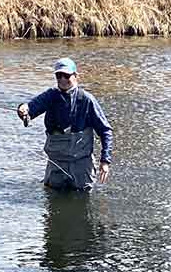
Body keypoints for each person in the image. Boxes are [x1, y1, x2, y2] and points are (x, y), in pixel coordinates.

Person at [16, 57, 114, 189]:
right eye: (59, 75)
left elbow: (105, 131)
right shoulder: (50, 96)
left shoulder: (87, 100)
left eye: (66, 75)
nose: (62, 79)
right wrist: (23, 109)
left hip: (81, 165)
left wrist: (105, 161)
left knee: (82, 197)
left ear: (75, 76)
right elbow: (31, 107)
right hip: (56, 163)